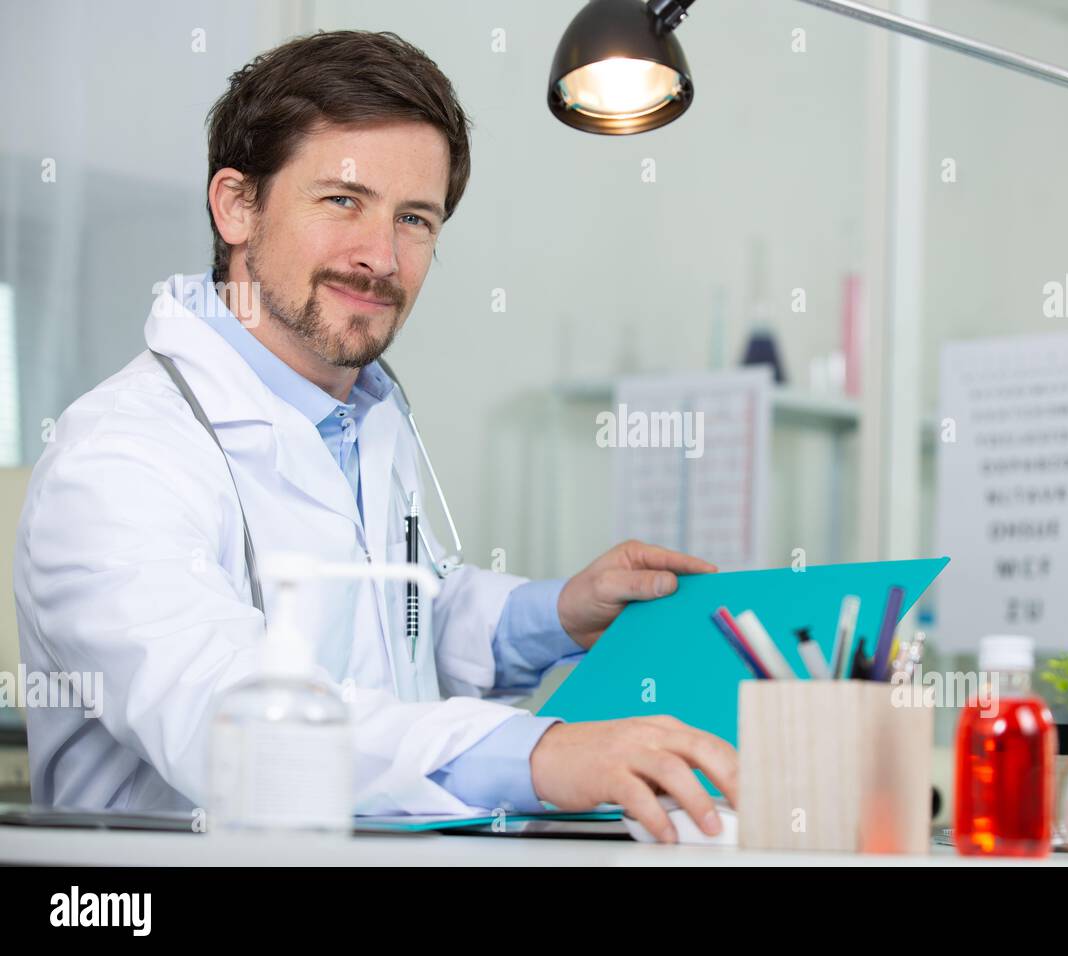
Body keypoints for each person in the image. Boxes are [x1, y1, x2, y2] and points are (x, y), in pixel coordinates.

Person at [13, 29, 736, 844]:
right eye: (343, 201)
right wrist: (539, 756)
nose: (380, 257)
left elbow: (400, 624)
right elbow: (238, 728)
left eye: (415, 218)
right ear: (236, 205)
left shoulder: (361, 416)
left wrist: (557, 614)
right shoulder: (120, 457)